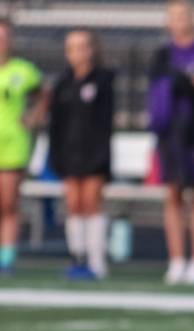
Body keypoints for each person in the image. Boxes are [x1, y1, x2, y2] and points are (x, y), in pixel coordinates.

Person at [149, 0, 194, 285]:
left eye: (184, 15)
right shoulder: (162, 54)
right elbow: (158, 92)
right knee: (173, 193)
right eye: (174, 16)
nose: (179, 20)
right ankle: (176, 259)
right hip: (170, 133)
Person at [49, 29, 114, 280]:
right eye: (72, 48)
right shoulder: (63, 84)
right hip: (69, 153)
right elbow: (56, 124)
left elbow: (105, 123)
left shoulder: (103, 81)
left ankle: (97, 260)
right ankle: (78, 257)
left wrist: (102, 155)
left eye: (82, 47)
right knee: (74, 204)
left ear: (92, 50)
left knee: (91, 202)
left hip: (94, 153)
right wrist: (56, 154)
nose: (77, 53)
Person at [0, 18, 48, 276]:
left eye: (4, 37)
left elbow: (43, 95)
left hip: (12, 144)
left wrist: (33, 118)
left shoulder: (23, 70)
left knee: (8, 203)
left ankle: (6, 258)